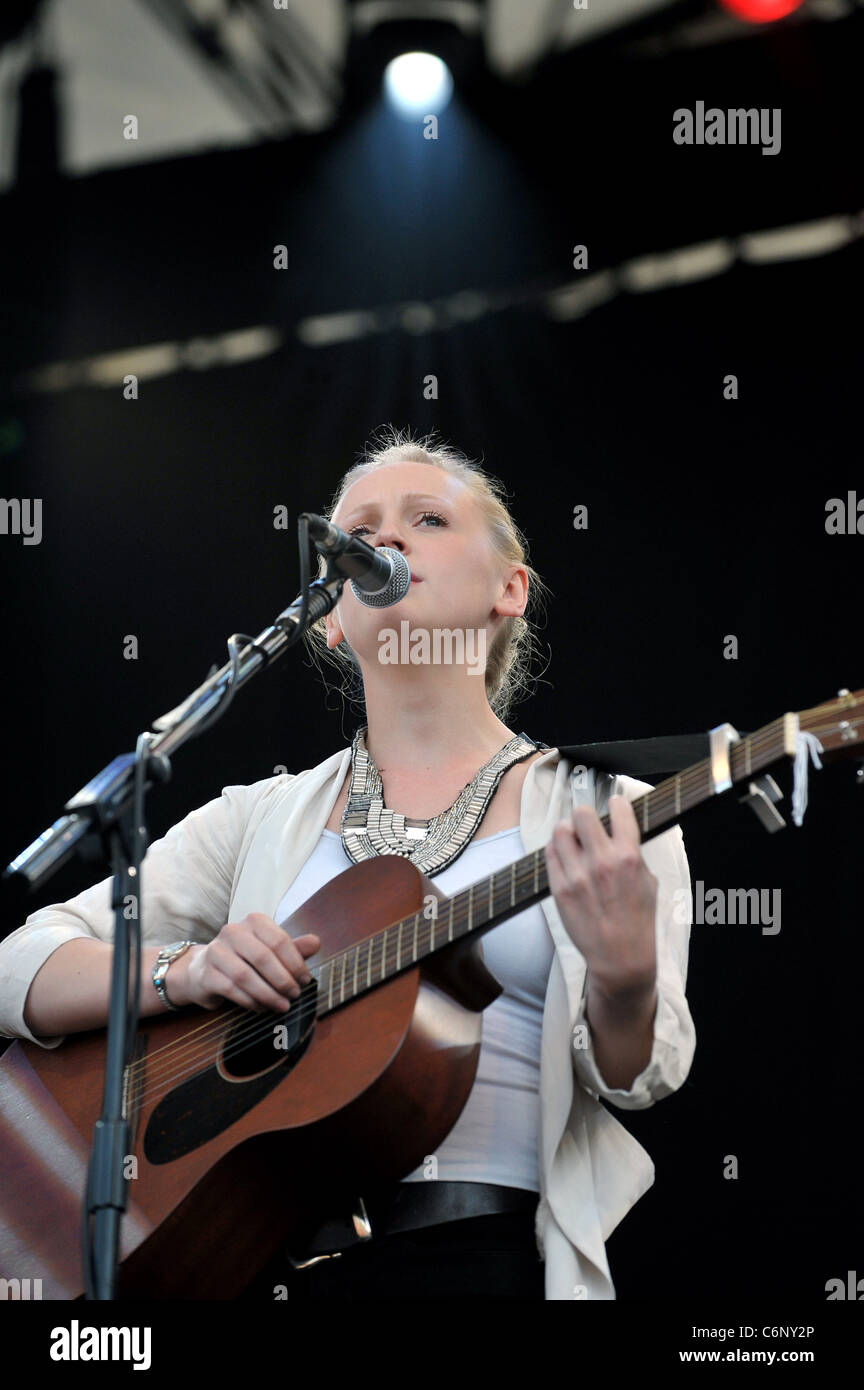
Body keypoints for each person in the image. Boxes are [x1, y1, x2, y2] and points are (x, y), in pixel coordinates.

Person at [0, 426, 696, 1301]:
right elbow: (17, 965)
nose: (385, 540)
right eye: (358, 532)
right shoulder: (257, 816)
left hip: (482, 1267)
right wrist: (186, 970)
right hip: (252, 1262)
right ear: (329, 617)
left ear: (509, 589)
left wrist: (625, 982)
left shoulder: (607, 810)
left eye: (429, 519)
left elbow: (640, 1080)